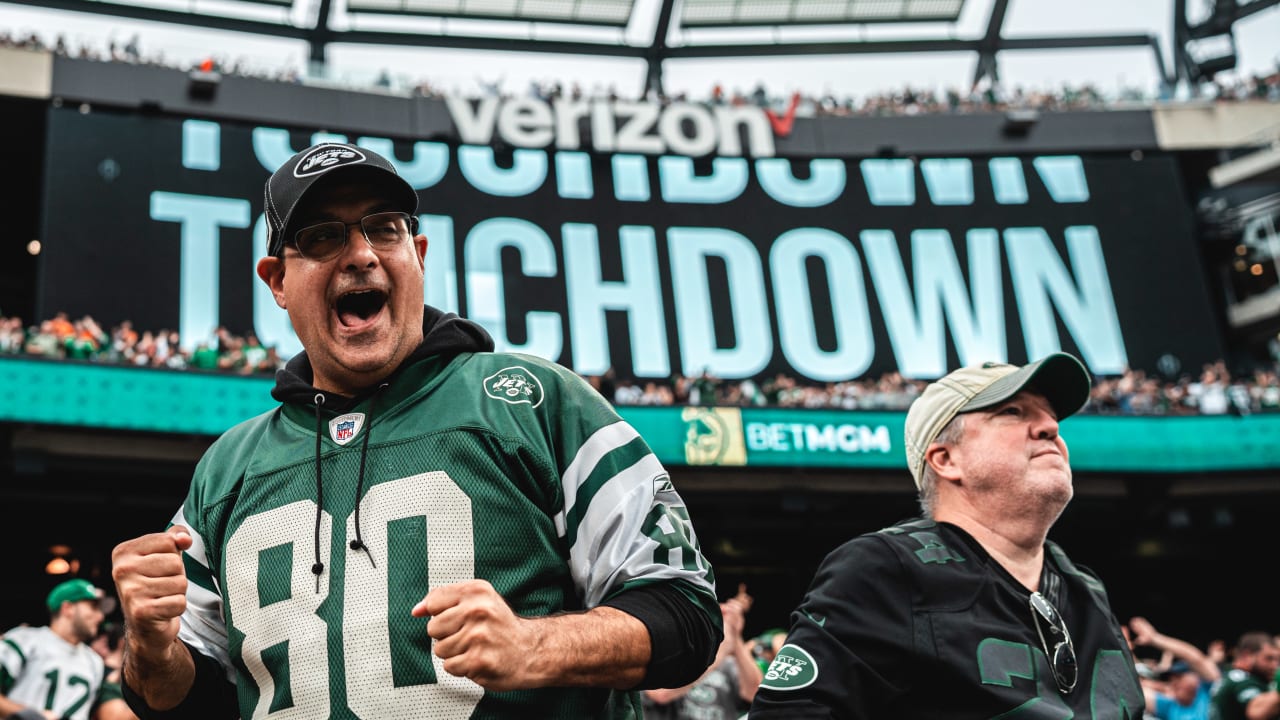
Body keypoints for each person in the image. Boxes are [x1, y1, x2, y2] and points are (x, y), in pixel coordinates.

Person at [110, 141, 722, 719]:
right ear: (276, 281)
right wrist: (151, 649)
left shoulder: (536, 402)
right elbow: (187, 701)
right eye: (323, 237)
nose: (362, 254)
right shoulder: (228, 467)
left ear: (418, 255)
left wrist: (532, 646)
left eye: (384, 228)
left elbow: (684, 611)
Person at [748, 353, 1147, 717]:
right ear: (946, 458)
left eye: (1049, 416)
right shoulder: (884, 567)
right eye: (1012, 412)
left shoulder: (1086, 588)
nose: (1050, 427)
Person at [642, 584, 762, 720]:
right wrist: (718, 654)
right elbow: (660, 694)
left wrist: (735, 634)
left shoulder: (728, 664)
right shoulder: (670, 654)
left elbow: (756, 694)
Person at [0, 578, 111, 720]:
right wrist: (30, 716)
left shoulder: (94, 661)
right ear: (67, 608)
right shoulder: (25, 641)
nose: (100, 616)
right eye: (93, 607)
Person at [1128, 616, 1220, 720]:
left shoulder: (1210, 693)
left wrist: (1155, 638)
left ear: (1195, 678)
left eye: (1179, 677)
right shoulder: (1170, 706)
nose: (1174, 682)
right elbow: (1132, 691)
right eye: (1171, 679)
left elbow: (1195, 658)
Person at [1209, 631, 1280, 720]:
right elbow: (1256, 712)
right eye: (1269, 658)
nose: (1275, 665)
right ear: (1247, 656)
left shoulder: (1229, 674)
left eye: (1277, 660)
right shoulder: (1242, 680)